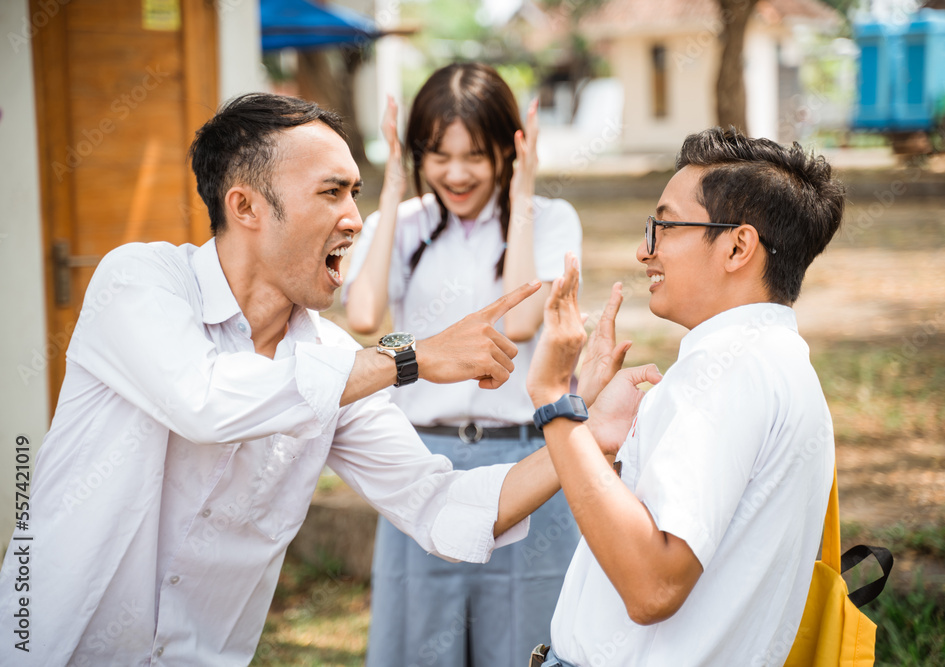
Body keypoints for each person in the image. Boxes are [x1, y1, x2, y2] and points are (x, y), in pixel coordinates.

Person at [0, 92, 618, 666]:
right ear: (245, 206)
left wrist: (574, 419)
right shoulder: (139, 282)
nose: (354, 217)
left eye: (355, 193)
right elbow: (208, 401)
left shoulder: (331, 359)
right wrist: (412, 358)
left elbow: (443, 505)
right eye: (331, 192)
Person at [524, 128, 846, 666]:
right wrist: (592, 438)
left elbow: (653, 586)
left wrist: (554, 402)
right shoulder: (777, 361)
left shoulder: (727, 371)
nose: (644, 250)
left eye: (665, 225)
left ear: (738, 246)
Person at [343, 63, 589, 666]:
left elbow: (523, 323)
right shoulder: (398, 225)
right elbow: (365, 313)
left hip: (530, 462)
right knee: (420, 649)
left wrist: (522, 193)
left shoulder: (551, 218)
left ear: (510, 149)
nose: (456, 174)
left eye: (476, 155)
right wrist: (395, 191)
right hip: (422, 464)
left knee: (530, 642)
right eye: (438, 155)